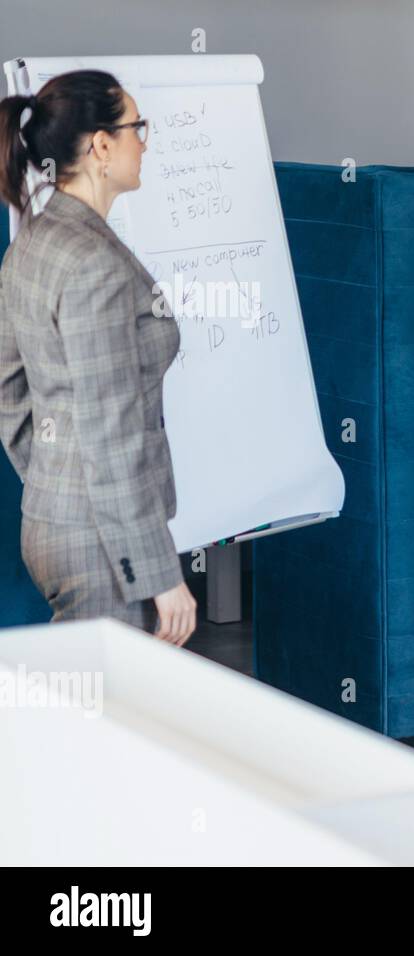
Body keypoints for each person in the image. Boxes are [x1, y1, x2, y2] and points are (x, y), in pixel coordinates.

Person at [0, 70, 195, 644]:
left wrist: (52, 478)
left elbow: (7, 388)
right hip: (99, 541)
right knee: (104, 714)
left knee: (93, 710)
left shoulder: (35, 239)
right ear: (101, 146)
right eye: (137, 128)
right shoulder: (93, 264)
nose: (144, 142)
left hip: (59, 521)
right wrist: (159, 575)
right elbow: (112, 434)